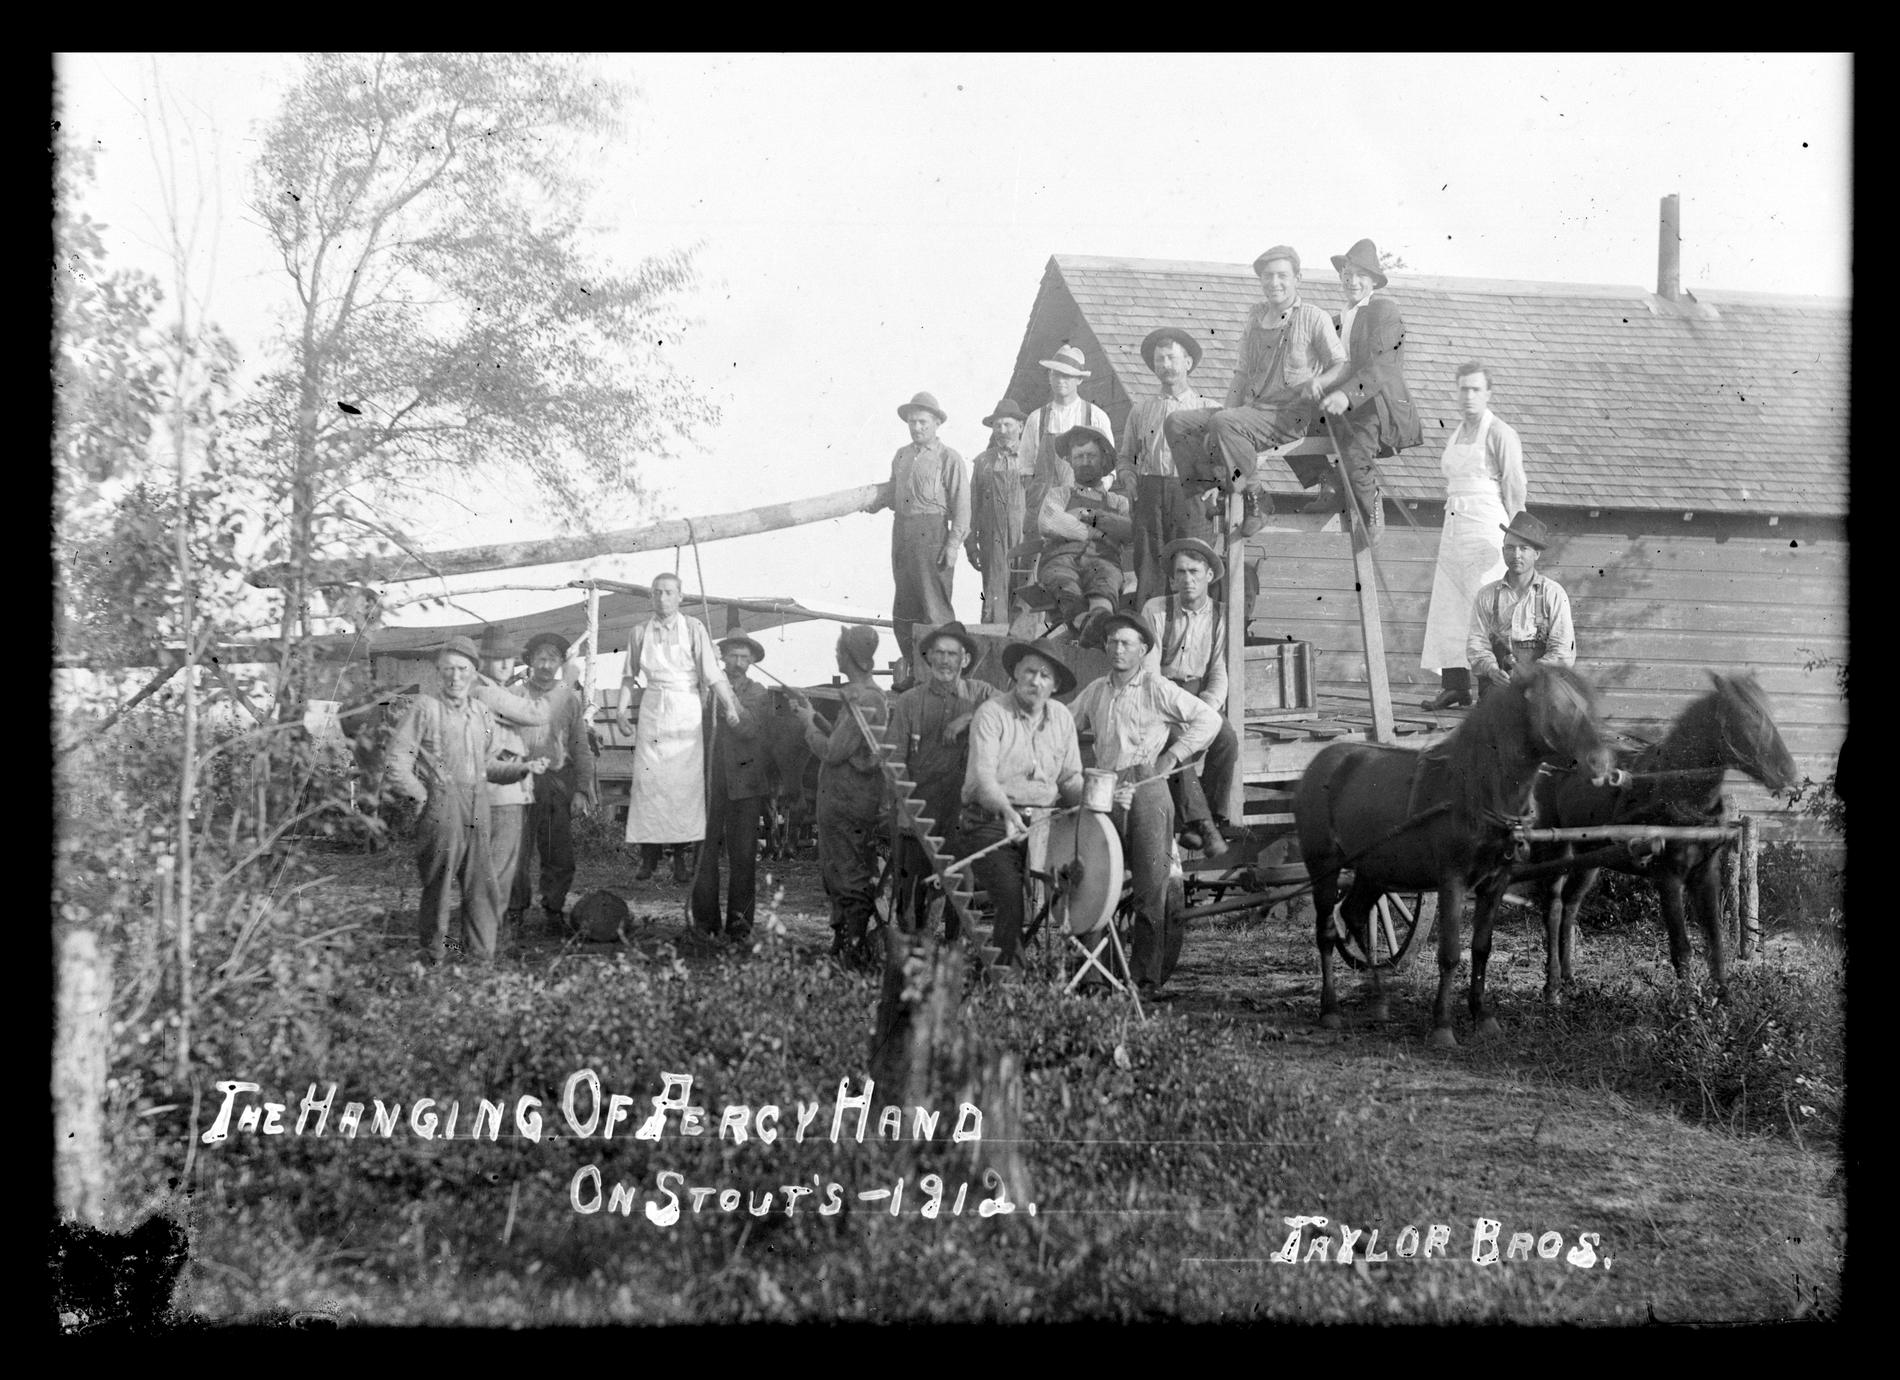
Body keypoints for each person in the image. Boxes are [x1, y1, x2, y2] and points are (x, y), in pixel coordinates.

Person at [1070, 614, 1222, 993]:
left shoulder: (1157, 687)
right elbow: (1062, 724)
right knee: (1095, 884)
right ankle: (1093, 978)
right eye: (1112, 642)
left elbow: (1208, 719)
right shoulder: (1095, 691)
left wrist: (1172, 757)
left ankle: (1144, 980)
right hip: (1105, 788)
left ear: (1142, 650)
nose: (1118, 649)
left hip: (1147, 787)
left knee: (1150, 890)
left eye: (1126, 643)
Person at [1164, 246, 1347, 538]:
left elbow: (1341, 365)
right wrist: (1225, 413)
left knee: (1225, 423)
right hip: (1251, 411)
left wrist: (1321, 382)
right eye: (1267, 276)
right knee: (1178, 423)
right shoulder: (1255, 318)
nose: (1274, 283)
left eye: (1282, 275)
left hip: (1289, 415)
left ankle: (1258, 499)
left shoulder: (1314, 317)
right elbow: (1241, 373)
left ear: (1297, 278)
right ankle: (1213, 489)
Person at [385, 636, 539, 964]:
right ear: (438, 674)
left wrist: (523, 768)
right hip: (441, 809)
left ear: (473, 673)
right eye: (447, 670)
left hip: (479, 805)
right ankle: (433, 959)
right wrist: (422, 796)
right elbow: (397, 761)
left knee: (483, 888)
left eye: (462, 670)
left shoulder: (481, 713)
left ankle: (480, 962)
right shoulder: (425, 708)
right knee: (438, 890)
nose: (455, 677)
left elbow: (490, 765)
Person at [960, 641, 1086, 967]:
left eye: (1045, 675)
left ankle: (1082, 974)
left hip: (1044, 822)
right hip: (990, 820)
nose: (1036, 681)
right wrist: (1005, 811)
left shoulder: (1061, 718)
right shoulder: (992, 714)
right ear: (1016, 673)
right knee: (1010, 896)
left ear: (1055, 685)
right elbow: (982, 778)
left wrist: (1096, 804)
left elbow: (1071, 779)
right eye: (1029, 671)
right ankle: (1008, 980)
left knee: (1081, 885)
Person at [617, 572, 743, 883]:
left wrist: (730, 705)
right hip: (652, 709)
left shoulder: (694, 628)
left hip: (685, 710)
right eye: (657, 592)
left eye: (669, 593)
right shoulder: (638, 632)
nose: (662, 598)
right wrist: (621, 710)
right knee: (650, 784)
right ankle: (648, 857)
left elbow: (712, 674)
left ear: (680, 597)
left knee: (683, 788)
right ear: (650, 597)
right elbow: (628, 676)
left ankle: (679, 861)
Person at [1420, 363, 1528, 710]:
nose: (1468, 396)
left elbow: (1514, 487)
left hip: (1487, 525)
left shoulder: (1500, 433)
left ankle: (1490, 690)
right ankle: (1455, 685)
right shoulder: (1456, 434)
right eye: (1463, 389)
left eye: (1475, 390)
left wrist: (1516, 537)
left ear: (1488, 394)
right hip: (1455, 523)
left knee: (1486, 605)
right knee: (1449, 604)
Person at [1307, 238, 1424, 545]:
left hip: (1373, 405)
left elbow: (1382, 366)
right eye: (1347, 272)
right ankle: (1328, 482)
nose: (1352, 280)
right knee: (1283, 418)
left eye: (1360, 274)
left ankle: (1372, 510)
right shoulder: (1336, 320)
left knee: (1356, 456)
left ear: (1373, 281)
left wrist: (1346, 395)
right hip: (1337, 404)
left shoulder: (1383, 312)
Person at [887, 621, 997, 938]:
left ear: (964, 660)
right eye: (938, 653)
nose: (945, 660)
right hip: (920, 810)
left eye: (952, 654)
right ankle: (912, 968)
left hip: (962, 813)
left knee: (960, 895)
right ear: (928, 657)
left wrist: (971, 716)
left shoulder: (982, 694)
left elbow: (1016, 706)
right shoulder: (909, 701)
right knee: (911, 900)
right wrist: (909, 810)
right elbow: (895, 758)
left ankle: (953, 964)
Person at [787, 626, 891, 962]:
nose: (836, 656)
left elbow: (833, 751)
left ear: (850, 656)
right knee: (837, 872)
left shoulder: (865, 697)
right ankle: (842, 941)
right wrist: (814, 714)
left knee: (847, 873)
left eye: (839, 651)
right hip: (844, 801)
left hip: (849, 803)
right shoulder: (865, 695)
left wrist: (805, 725)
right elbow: (848, 741)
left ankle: (853, 947)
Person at [1137, 538, 1239, 858]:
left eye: (1195, 571)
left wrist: (1204, 714)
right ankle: (1200, 825)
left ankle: (1212, 818)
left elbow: (1220, 671)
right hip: (1161, 696)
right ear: (1171, 579)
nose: (1187, 579)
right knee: (1174, 739)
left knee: (1226, 738)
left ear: (1209, 575)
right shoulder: (1155, 609)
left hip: (1201, 695)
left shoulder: (1222, 616)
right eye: (1180, 572)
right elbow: (1150, 673)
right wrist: (1179, 714)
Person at [865, 391, 969, 681]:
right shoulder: (902, 455)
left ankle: (946, 674)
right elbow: (893, 492)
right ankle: (916, 672)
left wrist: (952, 545)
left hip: (932, 533)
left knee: (934, 608)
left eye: (923, 422)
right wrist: (870, 501)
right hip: (902, 532)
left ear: (936, 422)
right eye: (912, 422)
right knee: (904, 608)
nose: (917, 427)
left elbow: (962, 507)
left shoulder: (949, 458)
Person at [1117, 326, 1214, 605]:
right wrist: (1128, 477)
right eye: (1160, 360)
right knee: (1150, 570)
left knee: (1191, 568)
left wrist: (1217, 485)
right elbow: (1125, 457)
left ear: (1188, 363)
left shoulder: (1207, 408)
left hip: (1191, 498)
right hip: (1150, 496)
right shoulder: (1141, 410)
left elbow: (1228, 459)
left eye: (1171, 358)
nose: (1165, 365)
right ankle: (1151, 641)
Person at [507, 631, 597, 933]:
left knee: (557, 851)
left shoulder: (569, 700)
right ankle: (514, 911)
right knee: (515, 852)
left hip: (555, 783)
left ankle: (553, 911)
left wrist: (583, 789)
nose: (546, 665)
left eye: (553, 658)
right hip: (517, 781)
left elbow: (580, 747)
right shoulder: (515, 696)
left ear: (561, 663)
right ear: (530, 660)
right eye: (541, 657)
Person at [472, 625, 553, 946]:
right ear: (483, 661)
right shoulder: (486, 692)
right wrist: (565, 680)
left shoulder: (491, 690)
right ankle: (485, 944)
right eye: (497, 659)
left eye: (509, 659)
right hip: (499, 792)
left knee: (498, 872)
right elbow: (537, 714)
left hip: (505, 788)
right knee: (497, 873)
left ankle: (488, 939)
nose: (506, 665)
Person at [691, 633, 774, 940]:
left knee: (743, 858)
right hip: (709, 784)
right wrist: (709, 679)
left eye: (745, 658)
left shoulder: (758, 692)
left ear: (751, 662)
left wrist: (725, 694)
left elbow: (747, 726)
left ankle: (739, 927)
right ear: (721, 658)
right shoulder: (705, 687)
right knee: (704, 855)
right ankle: (705, 925)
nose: (739, 663)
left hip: (746, 787)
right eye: (733, 656)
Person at [1029, 424, 1133, 643]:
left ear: (1104, 460)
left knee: (1106, 578)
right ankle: (1086, 623)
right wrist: (1100, 533)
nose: (1085, 462)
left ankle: (1099, 617)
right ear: (1070, 461)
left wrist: (1086, 514)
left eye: (1091, 456)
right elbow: (1049, 522)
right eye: (1079, 457)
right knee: (1064, 582)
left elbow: (1129, 530)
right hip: (1060, 559)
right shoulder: (1059, 494)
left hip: (1103, 561)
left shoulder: (1118, 501)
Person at [1466, 511, 1575, 697]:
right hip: (1499, 686)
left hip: (1541, 684)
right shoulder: (1487, 595)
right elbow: (1477, 645)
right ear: (1503, 551)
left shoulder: (1553, 594)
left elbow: (1563, 650)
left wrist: (1531, 674)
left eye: (1523, 548)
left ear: (1536, 554)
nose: (1516, 555)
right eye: (1510, 548)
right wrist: (1492, 671)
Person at [1014, 342, 1115, 503]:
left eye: (1066, 376)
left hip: (1083, 504)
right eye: (1056, 374)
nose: (1061, 380)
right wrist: (1036, 494)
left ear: (1079, 379)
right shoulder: (1036, 418)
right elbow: (1025, 466)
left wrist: (1095, 492)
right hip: (1043, 505)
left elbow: (1110, 467)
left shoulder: (1095, 416)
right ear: (1050, 377)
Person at [966, 398, 1030, 626]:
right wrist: (971, 544)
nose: (1002, 431)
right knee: (994, 600)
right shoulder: (983, 462)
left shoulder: (1032, 458)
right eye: (997, 426)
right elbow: (971, 506)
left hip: (1026, 540)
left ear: (1020, 427)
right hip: (993, 543)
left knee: (1026, 600)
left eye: (1008, 425)